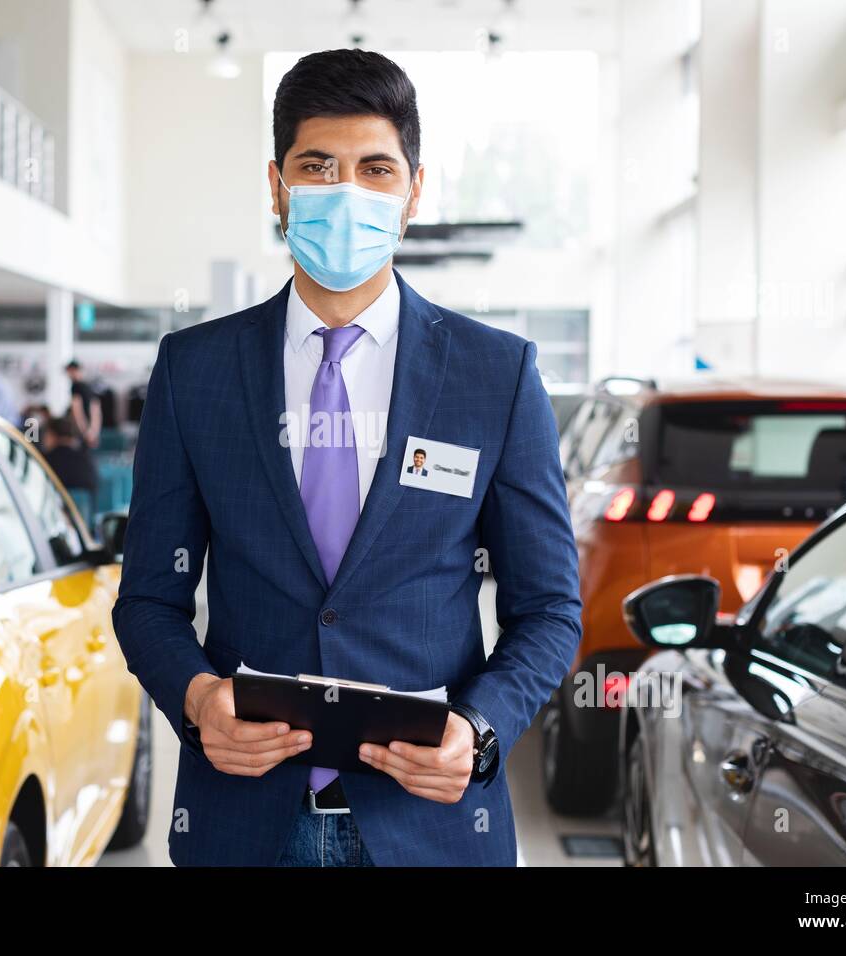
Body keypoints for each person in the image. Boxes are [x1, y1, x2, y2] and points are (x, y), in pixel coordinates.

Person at [113, 49, 581, 867]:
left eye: (374, 169)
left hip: (430, 823)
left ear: (412, 191)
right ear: (277, 186)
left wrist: (478, 732)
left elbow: (548, 611)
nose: (346, 193)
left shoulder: (494, 375)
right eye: (318, 168)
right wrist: (196, 700)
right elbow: (149, 598)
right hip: (244, 819)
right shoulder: (197, 370)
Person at [42, 417, 98, 524]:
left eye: (46, 434)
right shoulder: (85, 457)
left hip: (58, 519)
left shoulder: (46, 459)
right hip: (85, 521)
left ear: (52, 435)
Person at [65, 360, 102, 449]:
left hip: (82, 430)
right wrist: (94, 430)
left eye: (69, 371)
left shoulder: (76, 386)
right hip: (90, 429)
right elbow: (96, 409)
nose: (68, 374)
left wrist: (85, 431)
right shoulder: (87, 386)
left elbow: (77, 410)